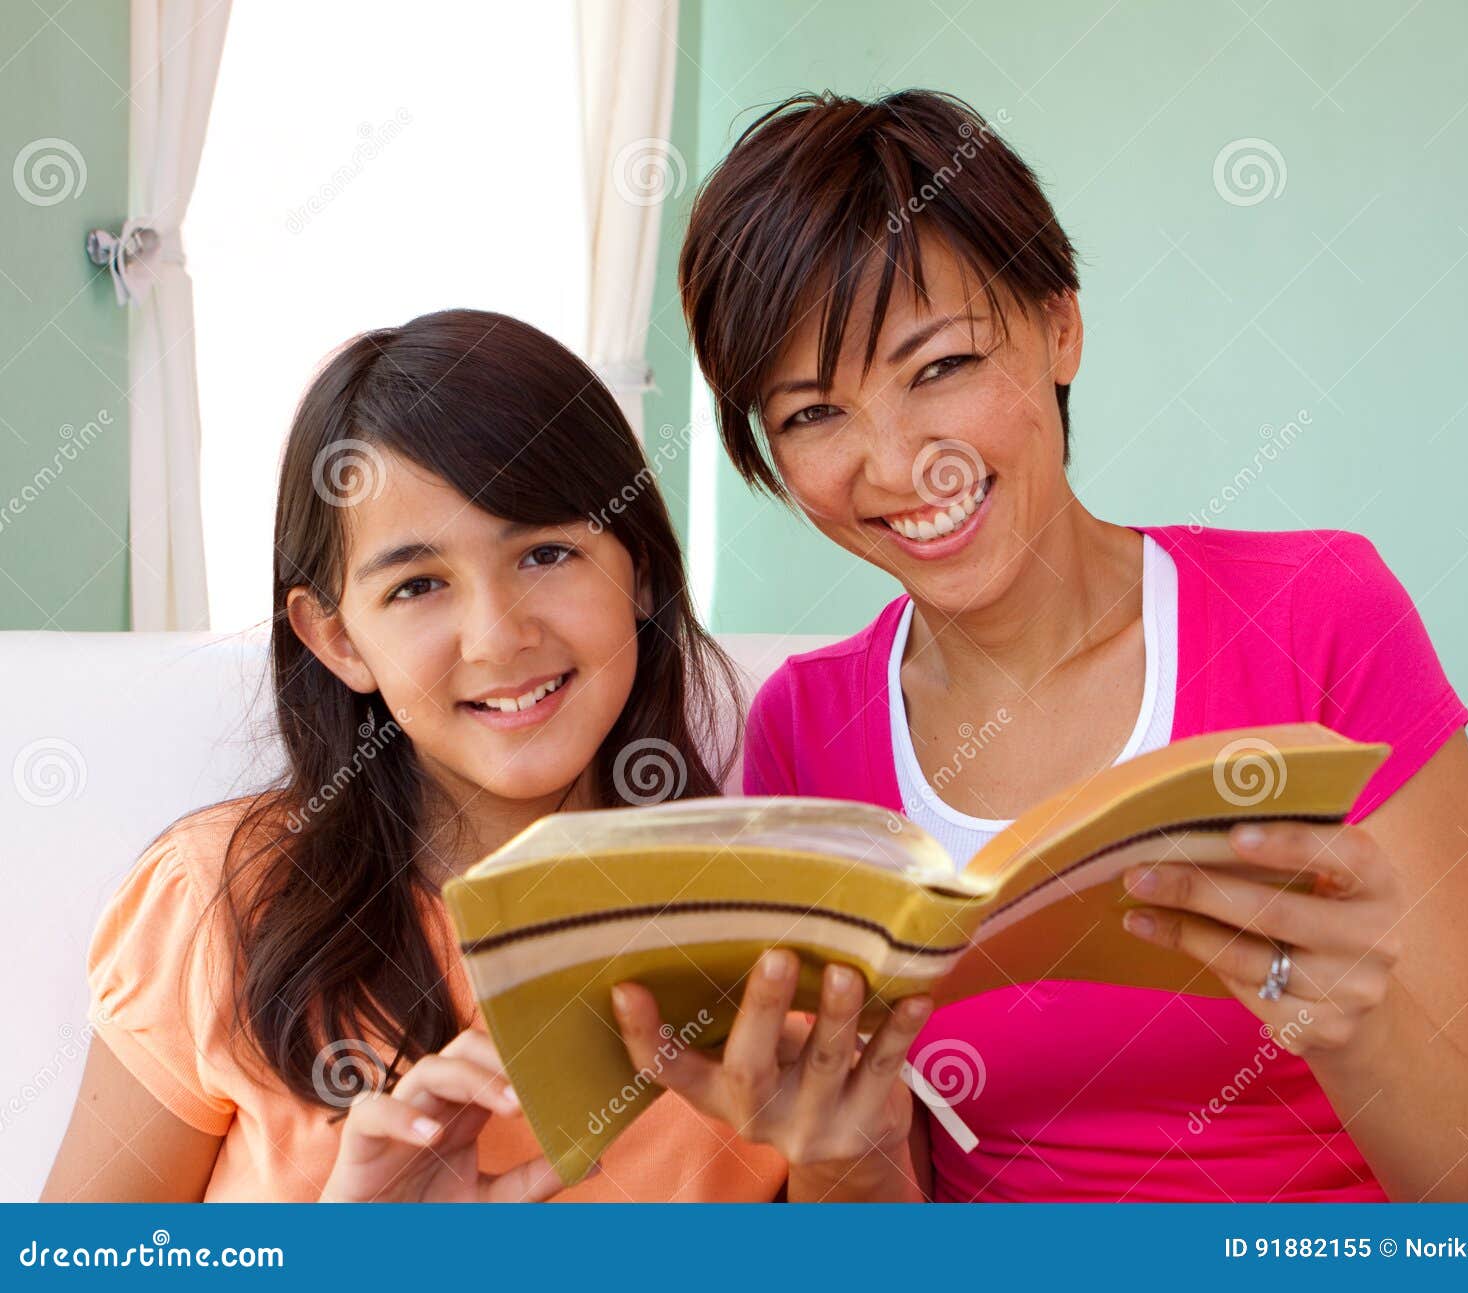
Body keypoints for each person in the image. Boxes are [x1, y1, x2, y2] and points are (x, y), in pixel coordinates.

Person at [650, 89, 1468, 1202]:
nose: (899, 465)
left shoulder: (1315, 614)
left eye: (938, 366)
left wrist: (1357, 1028)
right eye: (812, 415)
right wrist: (836, 1153)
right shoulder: (807, 726)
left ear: (1059, 325)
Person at [44, 309, 903, 1202]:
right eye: (418, 584)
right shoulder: (217, 902)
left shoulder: (774, 927)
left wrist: (856, 1159)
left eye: (546, 552)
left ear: (639, 572)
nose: (498, 637)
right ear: (337, 638)